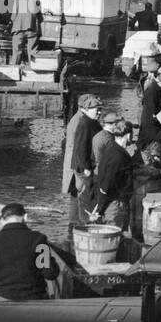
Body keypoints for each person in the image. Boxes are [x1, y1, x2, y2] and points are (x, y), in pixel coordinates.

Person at [0, 204, 59, 301]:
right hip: (34, 299)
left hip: (3, 300)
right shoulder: (38, 239)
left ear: (3, 220)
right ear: (25, 217)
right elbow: (50, 273)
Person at [89, 123, 137, 231]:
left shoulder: (111, 150)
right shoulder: (118, 156)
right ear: (128, 135)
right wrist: (99, 210)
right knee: (115, 236)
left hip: (112, 203)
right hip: (115, 205)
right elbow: (107, 184)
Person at [66, 93, 103, 225]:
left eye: (100, 109)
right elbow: (81, 148)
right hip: (83, 168)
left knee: (83, 194)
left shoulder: (90, 122)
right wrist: (86, 167)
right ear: (86, 110)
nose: (99, 112)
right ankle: (83, 223)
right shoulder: (84, 124)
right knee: (84, 195)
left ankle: (78, 222)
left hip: (86, 166)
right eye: (96, 110)